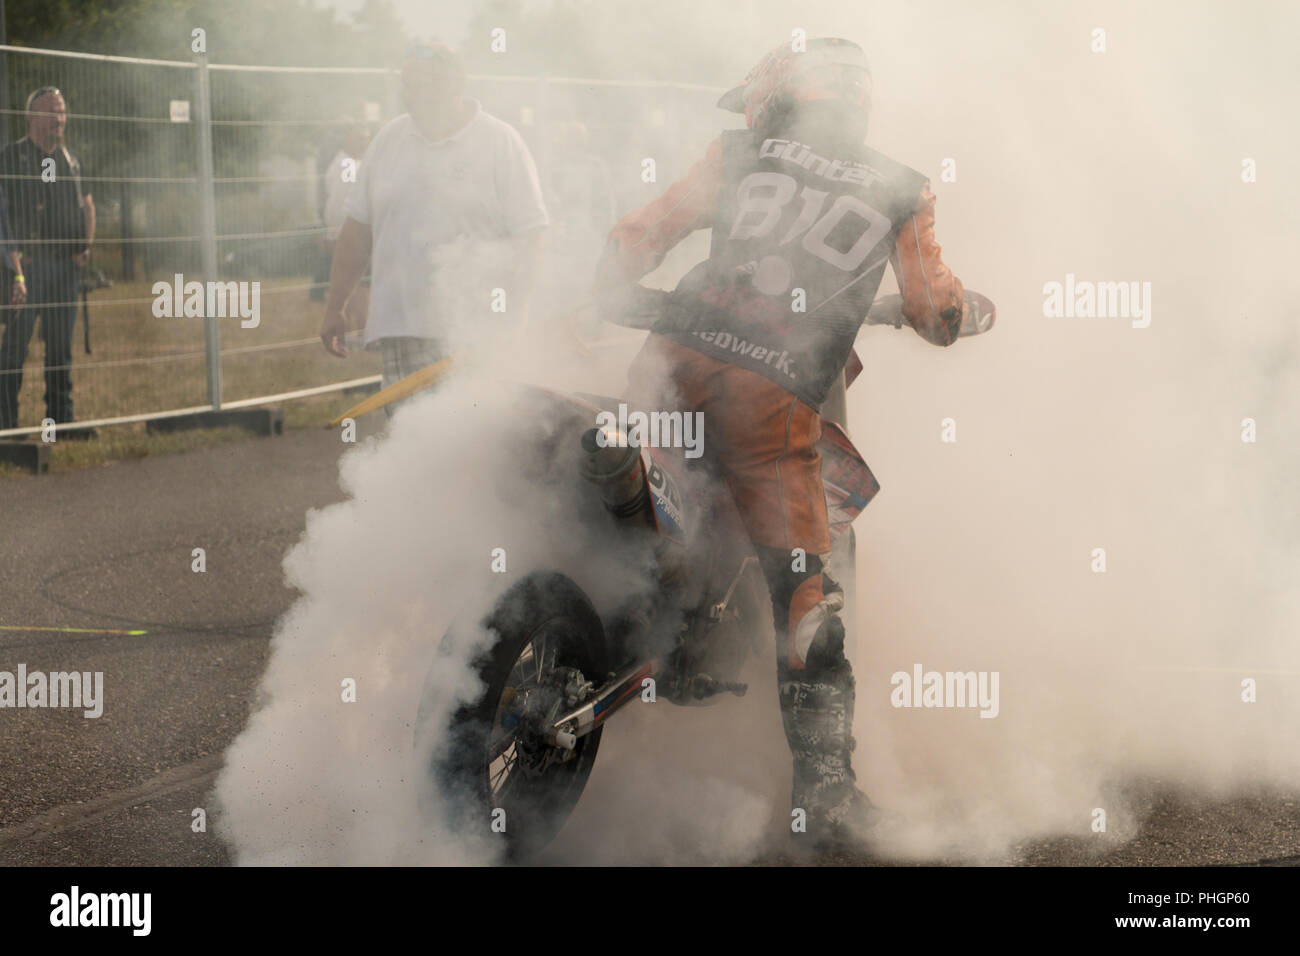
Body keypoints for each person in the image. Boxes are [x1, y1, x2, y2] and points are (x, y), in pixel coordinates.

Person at [593, 38, 968, 850]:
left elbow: (637, 235)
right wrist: (964, 312)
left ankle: (641, 600)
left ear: (777, 98)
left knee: (641, 489)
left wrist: (609, 283)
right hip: (775, 397)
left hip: (672, 359)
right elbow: (936, 312)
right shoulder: (901, 187)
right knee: (810, 597)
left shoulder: (737, 152)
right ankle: (827, 798)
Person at [319, 42, 548, 416]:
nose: (411, 96)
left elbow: (530, 236)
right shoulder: (388, 141)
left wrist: (516, 317)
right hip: (400, 330)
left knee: (473, 448)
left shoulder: (499, 142)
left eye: (423, 84)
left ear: (454, 86)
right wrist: (335, 306)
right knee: (410, 453)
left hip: (476, 333)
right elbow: (357, 231)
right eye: (407, 85)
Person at [0, 86, 97, 437]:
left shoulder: (70, 160)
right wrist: (14, 265)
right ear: (31, 117)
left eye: (62, 111)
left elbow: (87, 204)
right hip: (25, 269)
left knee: (59, 349)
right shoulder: (11, 157)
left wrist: (85, 247)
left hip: (63, 269)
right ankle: (7, 427)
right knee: (14, 348)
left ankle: (60, 422)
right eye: (51, 111)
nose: (59, 118)